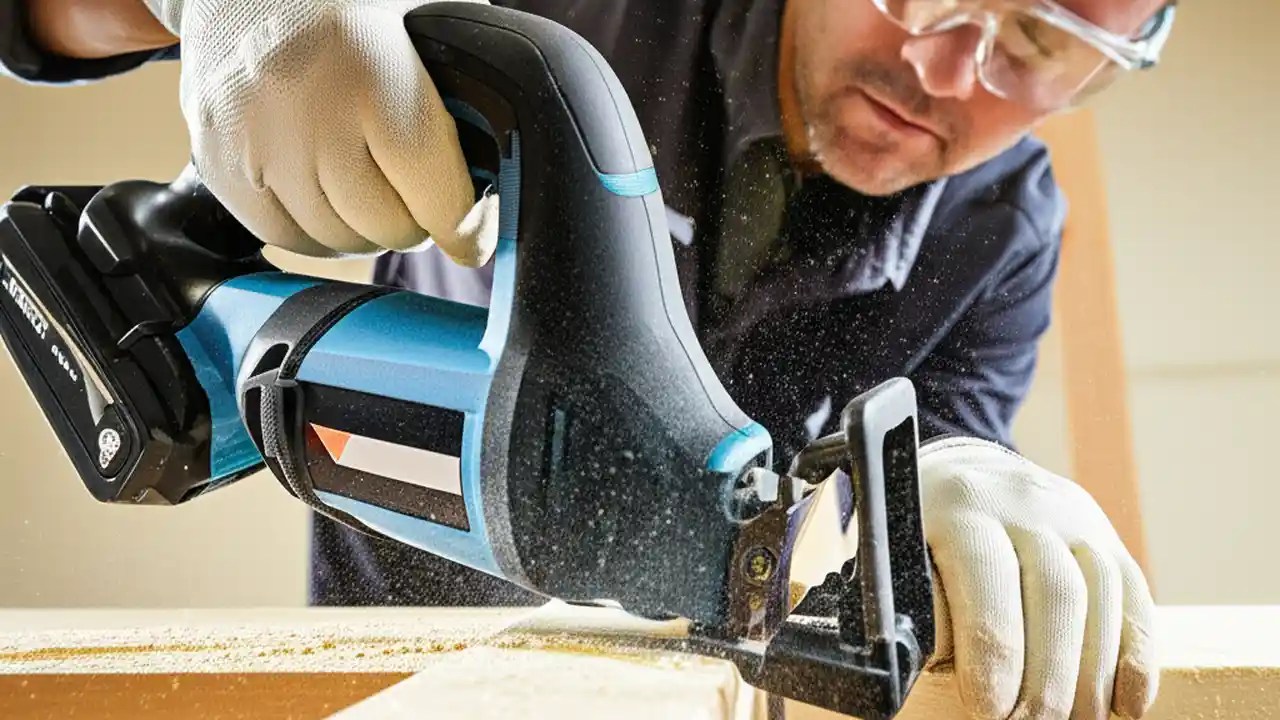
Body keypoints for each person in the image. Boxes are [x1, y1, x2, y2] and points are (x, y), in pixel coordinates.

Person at [3, 0, 1177, 717]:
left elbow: (941, 444)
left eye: (1039, 43)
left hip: (703, 690)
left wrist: (967, 474)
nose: (948, 66)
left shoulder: (1005, 220)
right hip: (410, 660)